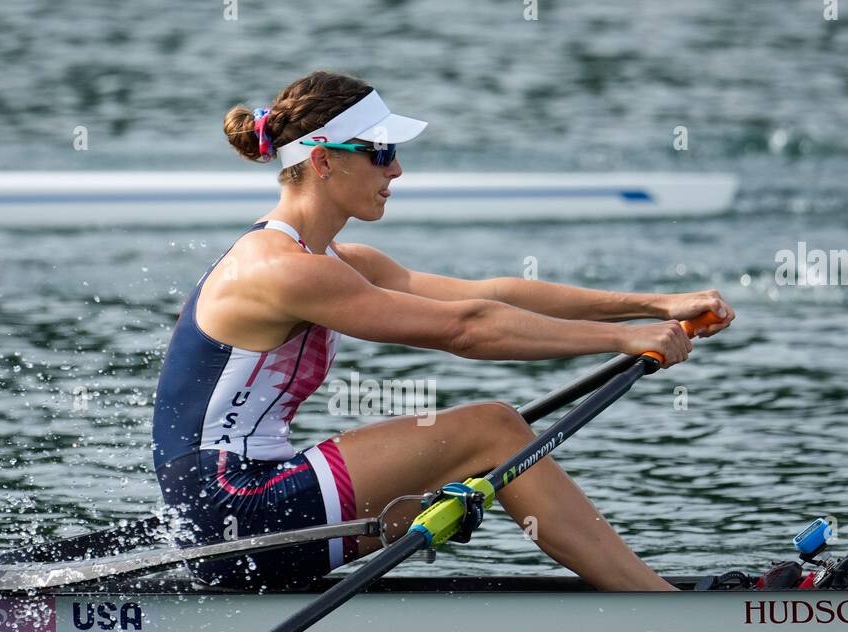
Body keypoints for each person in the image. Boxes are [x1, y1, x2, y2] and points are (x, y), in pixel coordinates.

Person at [152, 70, 734, 593]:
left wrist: (656, 304)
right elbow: (467, 330)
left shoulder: (337, 260)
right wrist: (622, 340)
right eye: (382, 153)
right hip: (234, 510)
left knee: (470, 463)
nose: (397, 169)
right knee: (494, 429)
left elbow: (490, 295)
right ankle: (659, 607)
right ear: (326, 161)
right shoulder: (283, 269)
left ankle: (641, 592)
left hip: (241, 505)